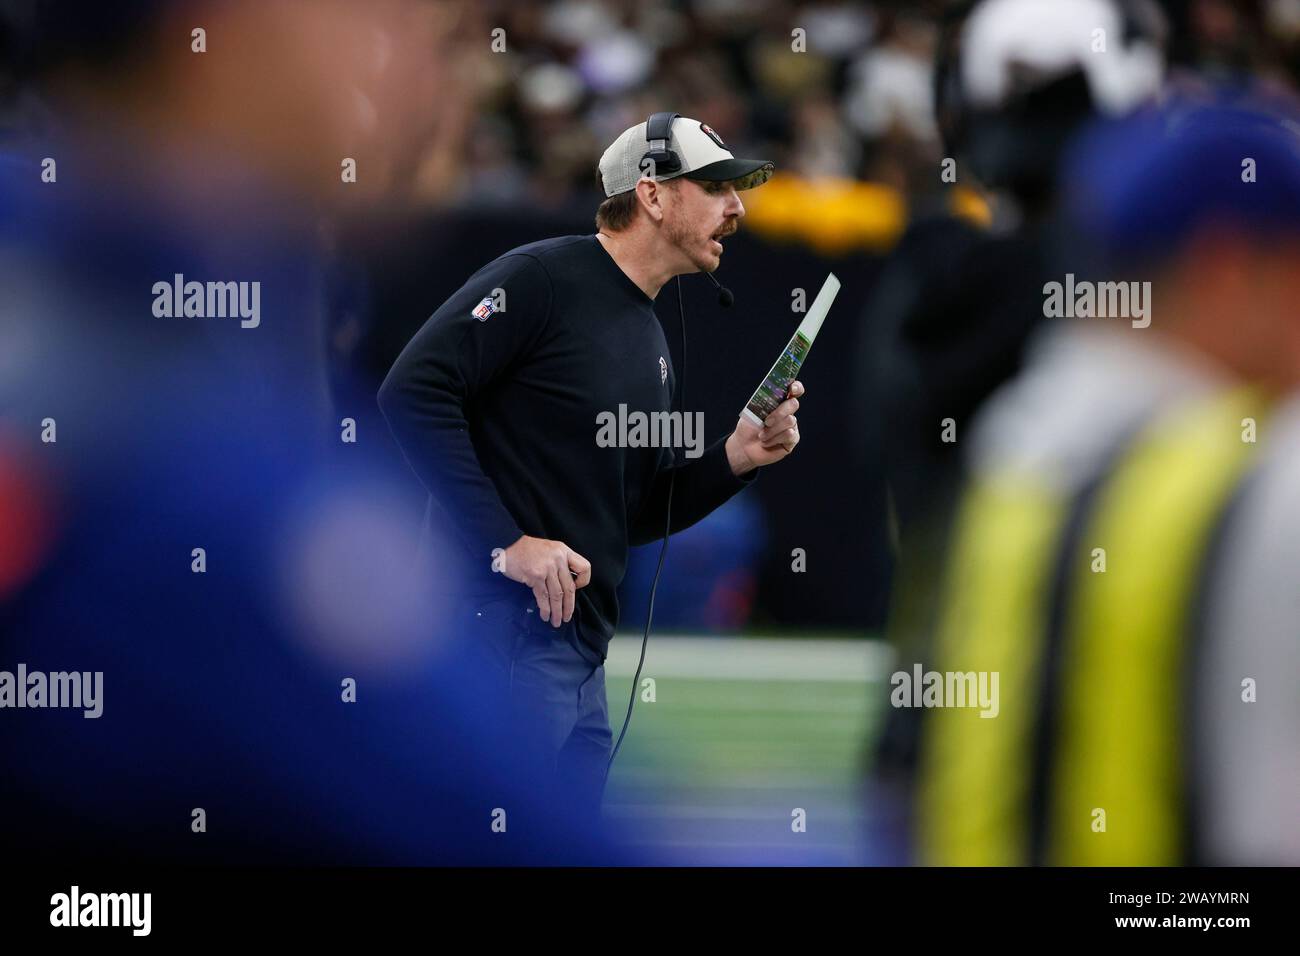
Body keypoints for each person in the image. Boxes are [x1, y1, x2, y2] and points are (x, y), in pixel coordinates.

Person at [377, 113, 803, 824]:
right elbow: (410, 392)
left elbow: (629, 513)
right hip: (501, 636)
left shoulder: (648, 330)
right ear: (654, 195)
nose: (738, 208)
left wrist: (735, 458)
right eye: (716, 186)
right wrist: (506, 543)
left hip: (578, 658)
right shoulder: (541, 278)